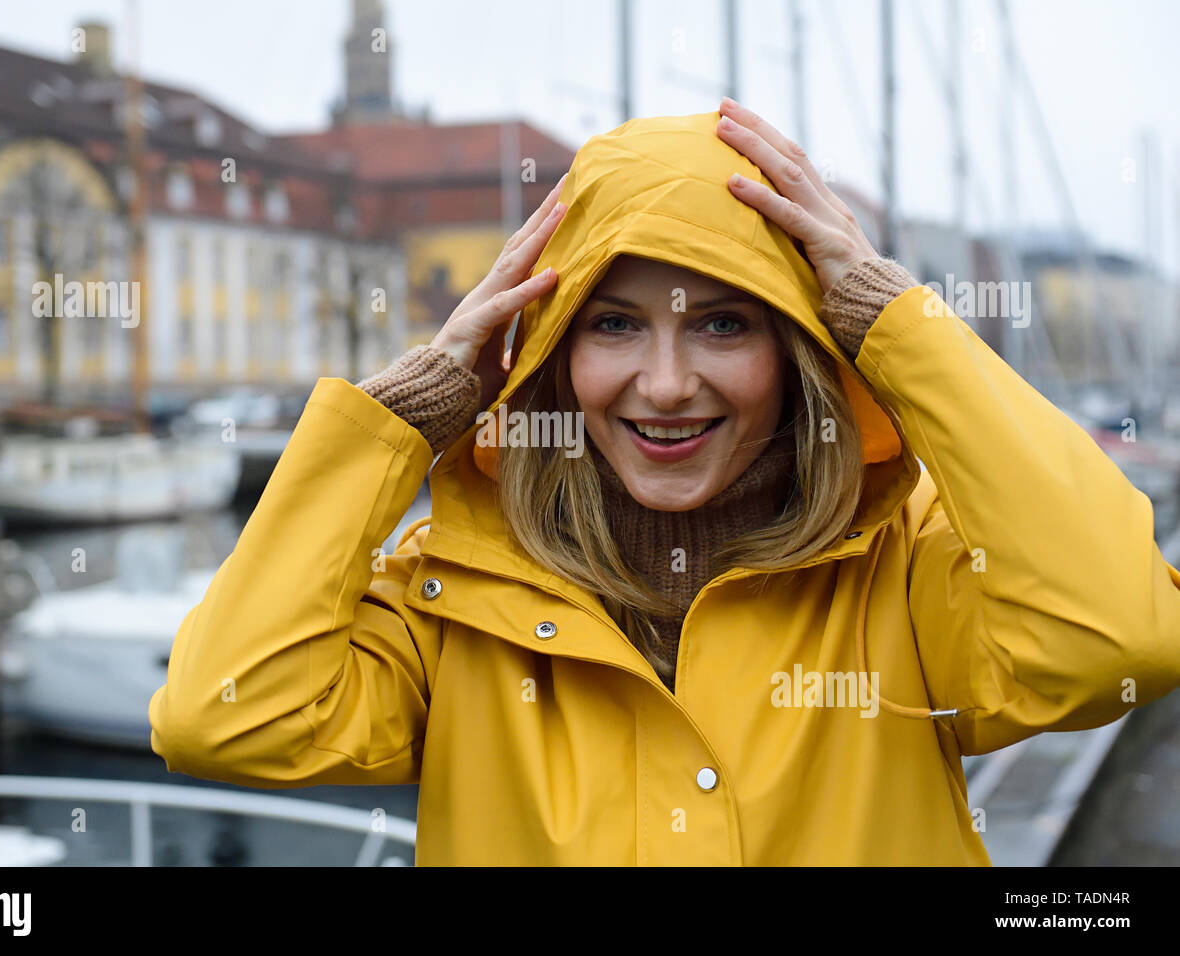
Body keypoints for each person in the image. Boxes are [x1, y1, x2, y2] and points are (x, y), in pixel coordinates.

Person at [148, 100, 1180, 865]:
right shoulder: (455, 597)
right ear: (554, 356)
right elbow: (223, 712)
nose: (668, 383)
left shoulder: (902, 571)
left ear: (797, 353)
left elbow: (1115, 639)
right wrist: (405, 415)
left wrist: (897, 326)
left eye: (723, 322)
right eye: (613, 323)